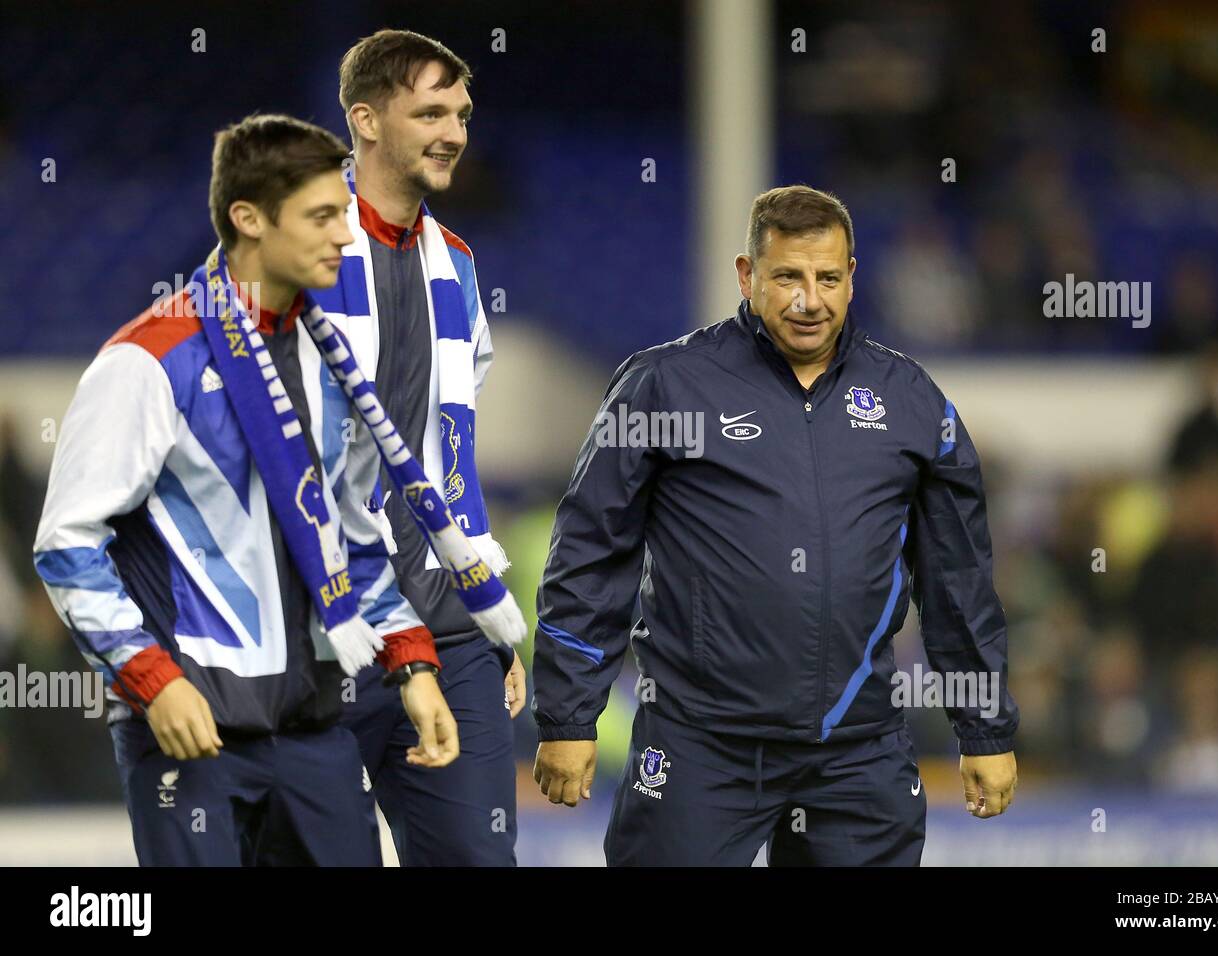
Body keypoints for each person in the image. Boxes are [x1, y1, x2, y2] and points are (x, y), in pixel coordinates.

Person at [532, 185, 1019, 866]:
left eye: (827, 278)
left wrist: (985, 729)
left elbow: (957, 579)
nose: (808, 299)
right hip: (701, 746)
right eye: (787, 275)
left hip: (858, 753)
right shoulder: (664, 387)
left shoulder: (910, 401)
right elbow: (589, 552)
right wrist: (568, 717)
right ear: (747, 275)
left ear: (853, 279)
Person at [32, 114, 457, 866]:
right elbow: (67, 544)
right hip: (191, 733)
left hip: (316, 735)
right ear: (248, 218)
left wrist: (411, 664)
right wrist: (151, 680)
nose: (346, 236)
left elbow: (347, 536)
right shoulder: (149, 359)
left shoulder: (332, 361)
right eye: (323, 217)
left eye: (346, 215)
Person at [327, 29, 524, 866]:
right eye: (431, 111)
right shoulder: (291, 250)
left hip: (449, 631)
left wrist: (495, 621)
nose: (455, 132)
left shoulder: (461, 265)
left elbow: (450, 452)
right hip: (321, 636)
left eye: (463, 113)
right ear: (366, 120)